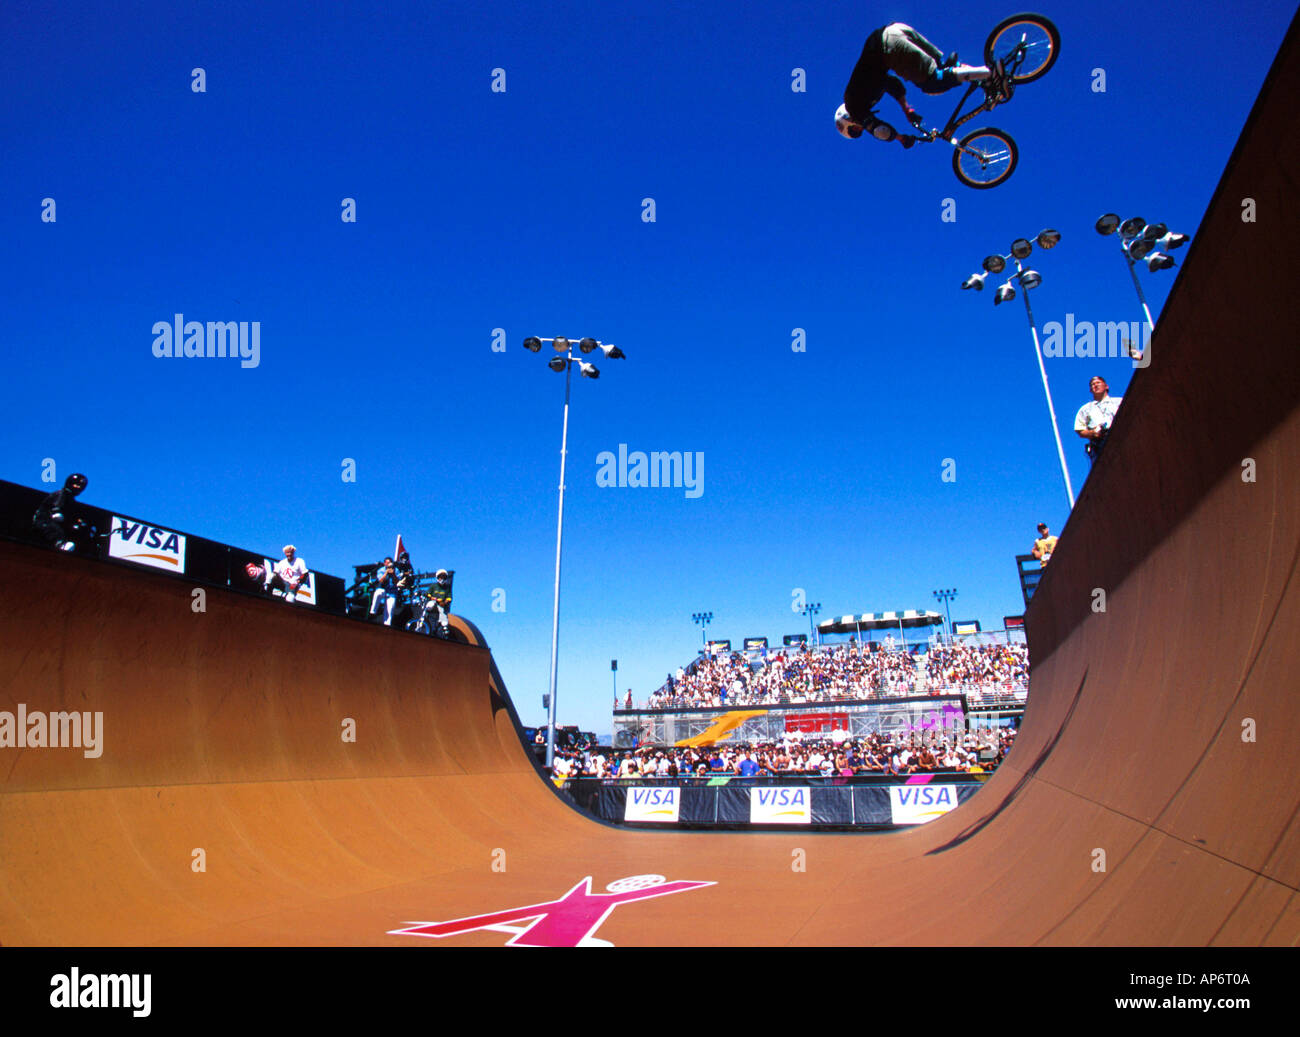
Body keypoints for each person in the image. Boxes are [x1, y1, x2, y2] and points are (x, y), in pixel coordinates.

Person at [836, 23, 992, 146]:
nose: (860, 129)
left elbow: (880, 131)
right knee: (943, 69)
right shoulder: (862, 92)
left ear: (847, 119)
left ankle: (989, 73)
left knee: (932, 84)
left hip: (888, 47)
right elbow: (893, 85)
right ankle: (985, 79)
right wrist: (907, 110)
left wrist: (900, 139)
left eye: (855, 130)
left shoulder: (854, 108)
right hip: (897, 30)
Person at [33, 472, 94, 552]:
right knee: (55, 529)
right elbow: (57, 503)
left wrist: (80, 522)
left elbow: (72, 515)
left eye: (80, 486)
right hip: (44, 520)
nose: (78, 487)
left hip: (59, 521)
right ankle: (60, 543)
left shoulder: (72, 501)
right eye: (76, 485)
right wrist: (56, 511)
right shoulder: (61, 493)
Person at [1075, 375, 1123, 463]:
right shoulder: (1085, 409)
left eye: (1098, 383)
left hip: (1122, 437)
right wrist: (1093, 433)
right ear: (1090, 390)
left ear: (1106, 386)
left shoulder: (1119, 401)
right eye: (1092, 385)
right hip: (1100, 446)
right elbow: (1080, 430)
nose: (1095, 385)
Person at [369, 556, 402, 625]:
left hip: (392, 593)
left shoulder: (396, 570)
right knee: (378, 593)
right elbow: (381, 581)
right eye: (387, 563)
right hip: (383, 590)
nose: (389, 564)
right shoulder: (381, 570)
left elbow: (398, 583)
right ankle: (373, 611)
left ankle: (387, 624)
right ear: (384, 563)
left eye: (390, 563)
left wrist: (393, 574)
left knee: (390, 609)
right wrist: (386, 573)